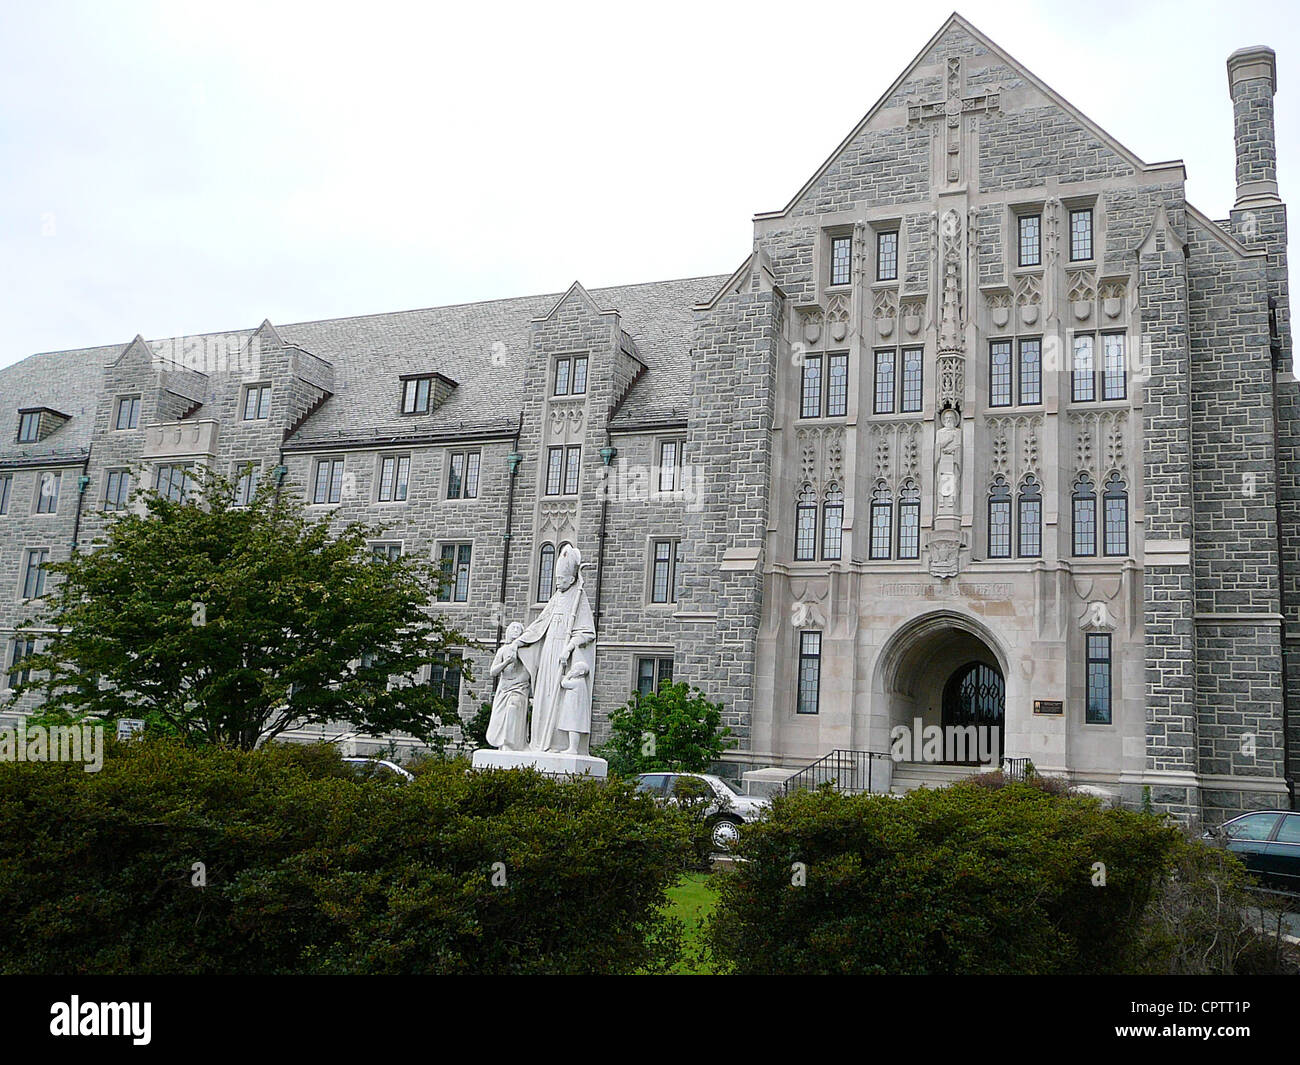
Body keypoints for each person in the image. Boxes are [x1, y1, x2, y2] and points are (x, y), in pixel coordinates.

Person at [511, 544, 596, 753]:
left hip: (563, 654)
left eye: (562, 579)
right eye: (556, 579)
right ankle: (539, 742)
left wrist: (569, 647)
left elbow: (588, 632)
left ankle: (559, 743)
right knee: (543, 694)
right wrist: (520, 641)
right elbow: (540, 623)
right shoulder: (556, 598)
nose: (558, 583)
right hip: (549, 650)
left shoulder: (579, 599)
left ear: (572, 579)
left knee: (559, 699)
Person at [485, 622, 529, 751]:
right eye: (513, 628)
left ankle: (510, 743)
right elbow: (493, 672)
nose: (516, 630)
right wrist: (506, 662)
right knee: (501, 716)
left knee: (513, 708)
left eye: (519, 628)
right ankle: (502, 743)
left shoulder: (526, 651)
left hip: (519, 688)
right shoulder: (503, 650)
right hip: (504, 689)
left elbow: (530, 671)